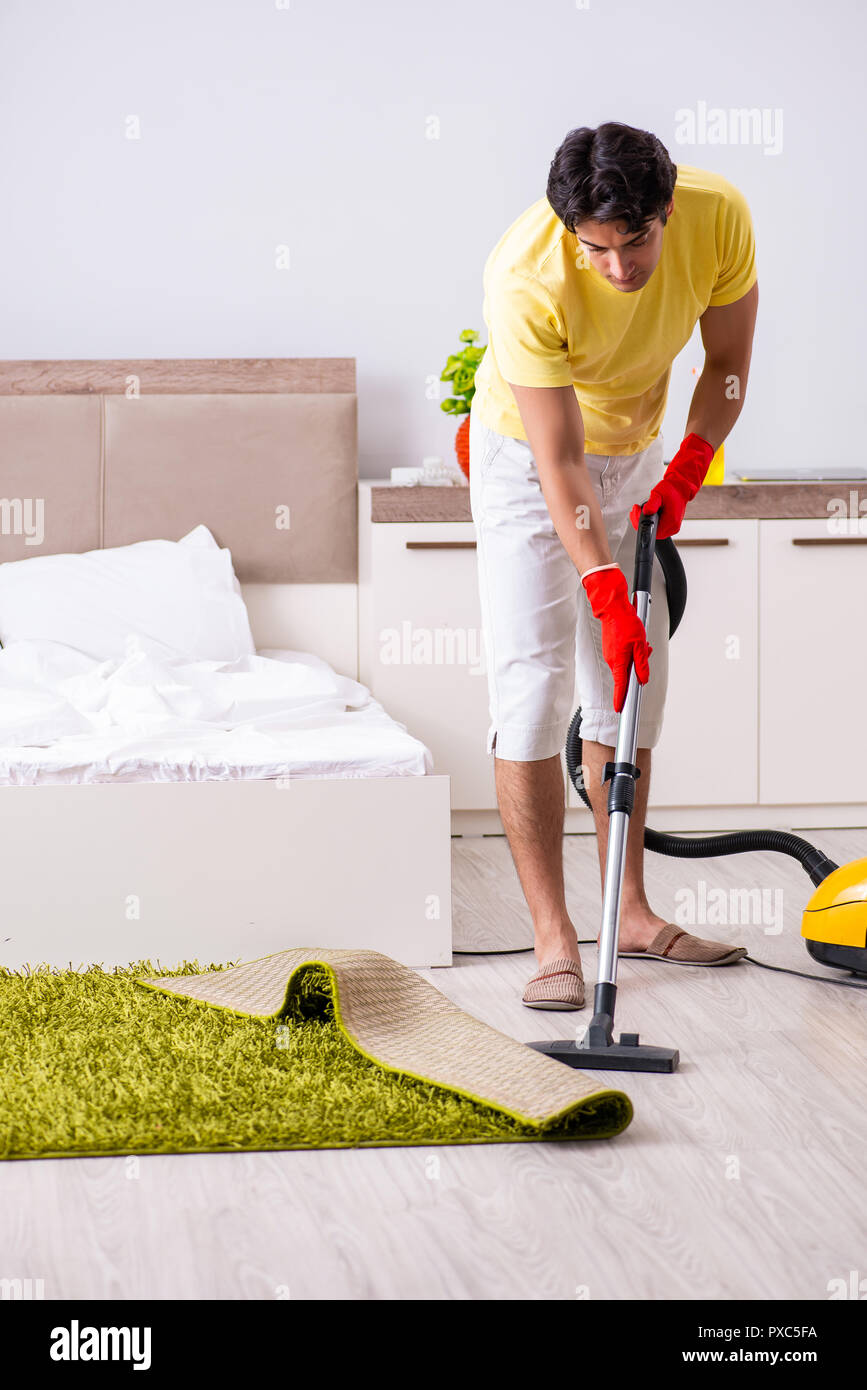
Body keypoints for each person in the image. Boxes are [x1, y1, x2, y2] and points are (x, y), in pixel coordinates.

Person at [469, 121, 759, 1009]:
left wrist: (689, 465)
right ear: (569, 233)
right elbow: (559, 465)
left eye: (633, 242)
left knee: (629, 685)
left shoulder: (717, 218)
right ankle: (555, 938)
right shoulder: (524, 276)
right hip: (531, 464)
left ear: (665, 211)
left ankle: (626, 911)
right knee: (530, 685)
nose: (619, 270)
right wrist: (603, 586)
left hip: (635, 455)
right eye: (595, 248)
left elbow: (729, 364)